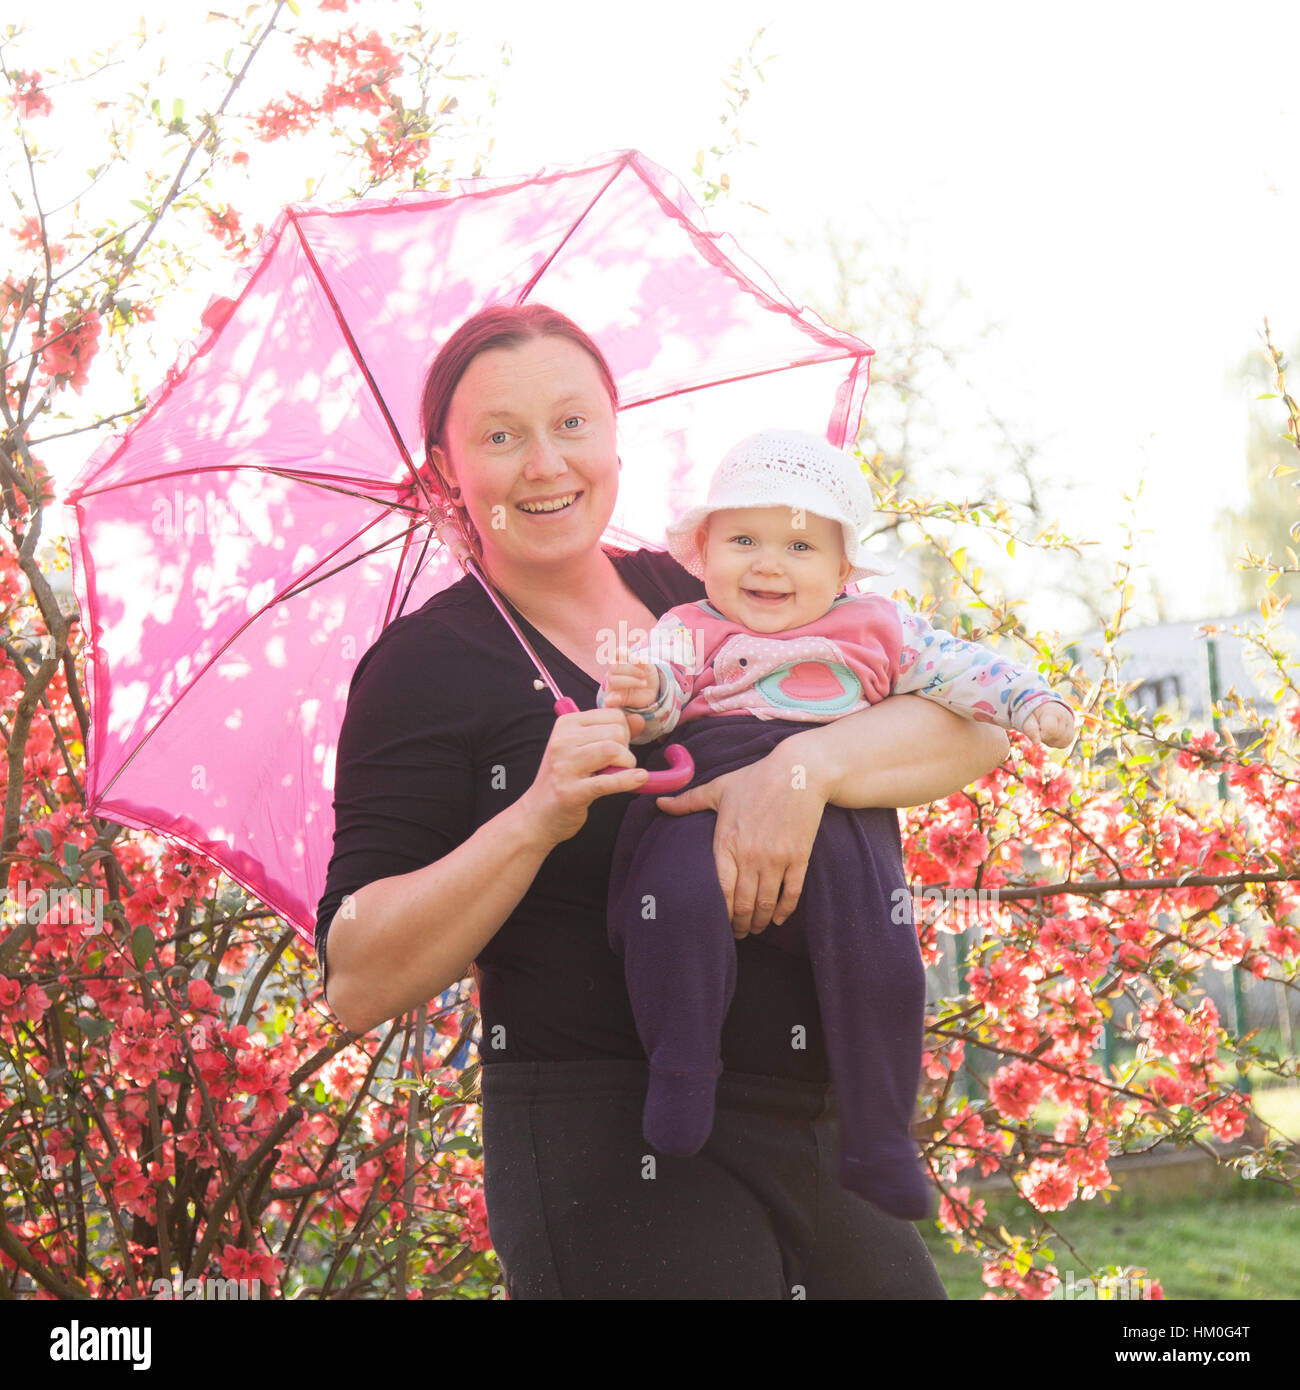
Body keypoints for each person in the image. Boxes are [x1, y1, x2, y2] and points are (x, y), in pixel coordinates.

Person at [314, 303, 1012, 1300]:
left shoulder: (714, 583)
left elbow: (967, 723)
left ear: (611, 432)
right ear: (445, 472)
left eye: (571, 423)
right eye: (499, 437)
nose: (545, 463)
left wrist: (798, 775)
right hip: (610, 1137)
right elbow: (357, 974)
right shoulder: (426, 668)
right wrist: (536, 817)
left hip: (812, 1121)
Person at [596, 427, 1075, 1222]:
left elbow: (962, 671)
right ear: (704, 551)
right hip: (710, 777)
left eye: (799, 545)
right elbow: (659, 711)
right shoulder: (687, 625)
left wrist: (1031, 703)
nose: (768, 563)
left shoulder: (880, 626)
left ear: (844, 568)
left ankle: (878, 1133)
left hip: (836, 801)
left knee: (878, 949)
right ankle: (681, 1073)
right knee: (672, 904)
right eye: (743, 540)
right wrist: (641, 695)